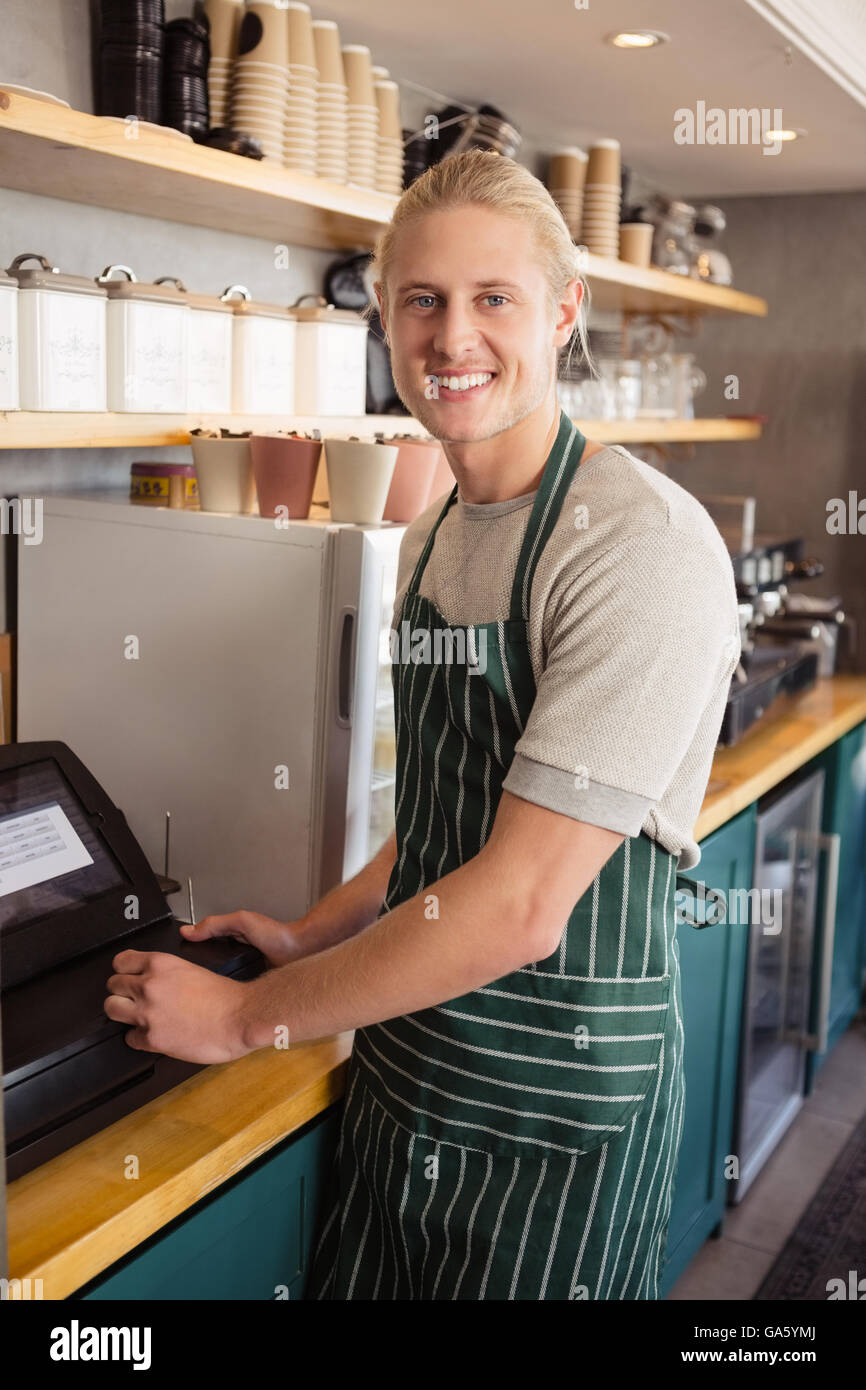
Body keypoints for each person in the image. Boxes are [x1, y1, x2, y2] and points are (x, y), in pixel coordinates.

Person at [105, 149, 741, 1300]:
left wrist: (251, 1015)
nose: (453, 339)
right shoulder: (437, 530)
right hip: (409, 1070)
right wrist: (317, 934)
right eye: (422, 300)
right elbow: (446, 816)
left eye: (493, 298)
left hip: (549, 1122)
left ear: (563, 315)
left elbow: (515, 903)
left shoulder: (635, 546)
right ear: (387, 322)